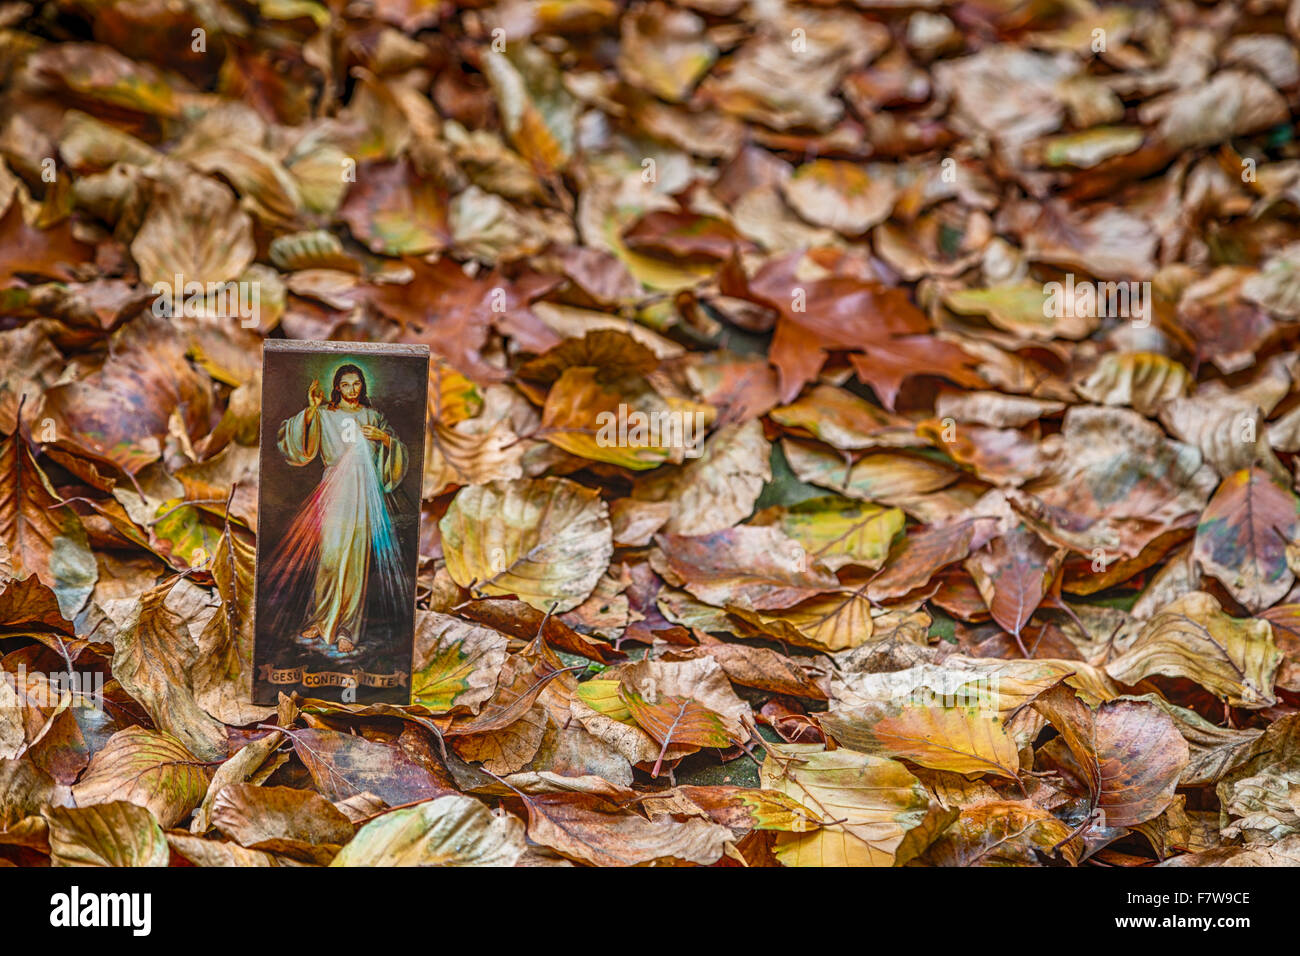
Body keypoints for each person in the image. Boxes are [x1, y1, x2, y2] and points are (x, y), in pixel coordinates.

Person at [263, 364, 409, 654]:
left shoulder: (374, 417)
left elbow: (397, 456)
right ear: (337, 388)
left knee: (355, 561)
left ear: (362, 387)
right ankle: (319, 618)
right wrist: (310, 410)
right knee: (330, 557)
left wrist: (385, 440)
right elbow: (295, 442)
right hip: (334, 491)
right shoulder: (325, 414)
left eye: (356, 384)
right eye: (346, 385)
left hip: (363, 494)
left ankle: (347, 628)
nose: (352, 390)